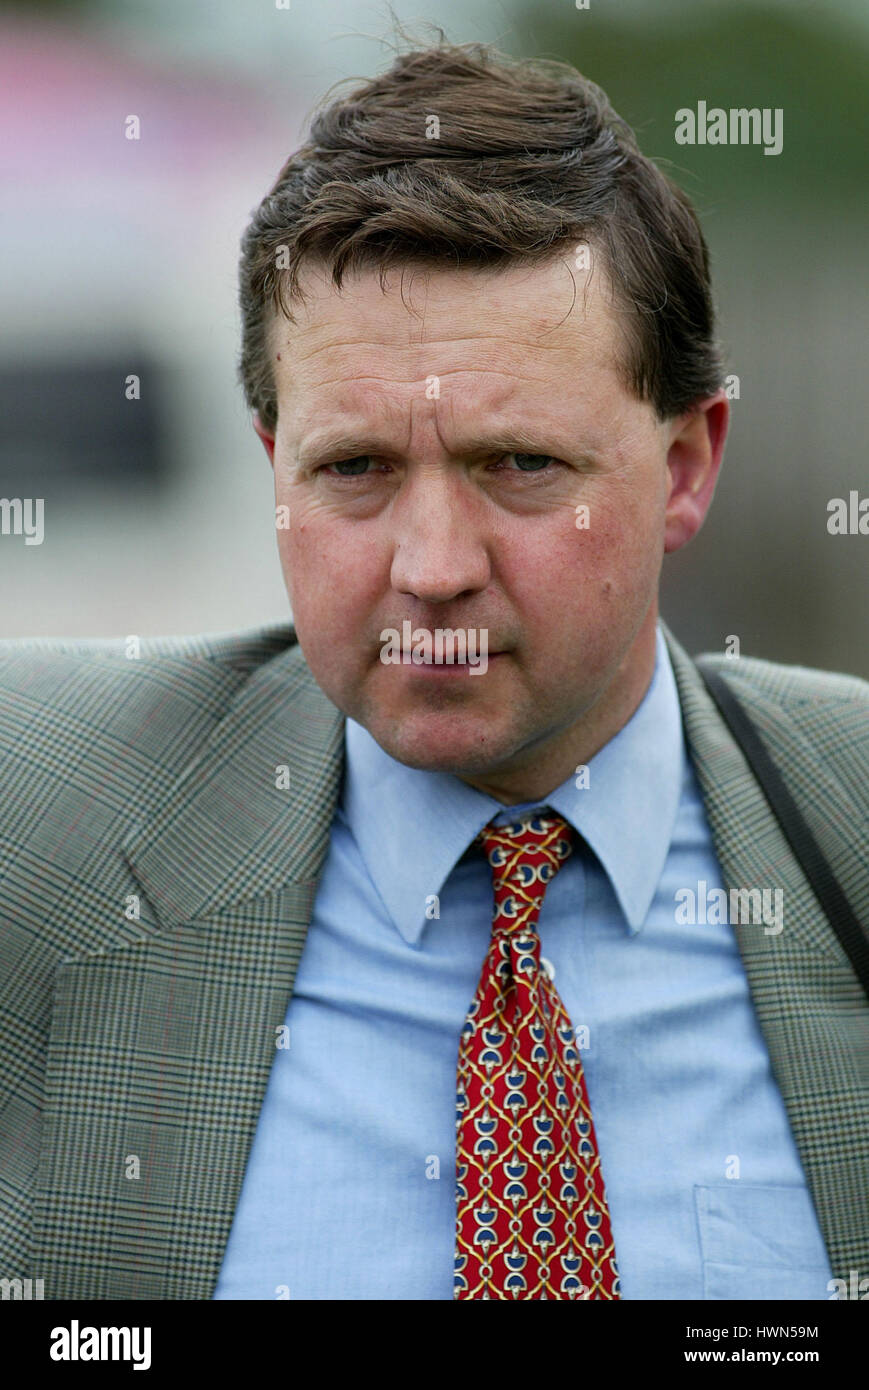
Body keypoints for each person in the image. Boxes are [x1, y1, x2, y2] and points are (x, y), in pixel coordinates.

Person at [1, 38, 866, 1303]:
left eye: (518, 466)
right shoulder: (44, 820)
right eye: (352, 470)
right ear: (271, 462)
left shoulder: (836, 829)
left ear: (684, 466)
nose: (431, 562)